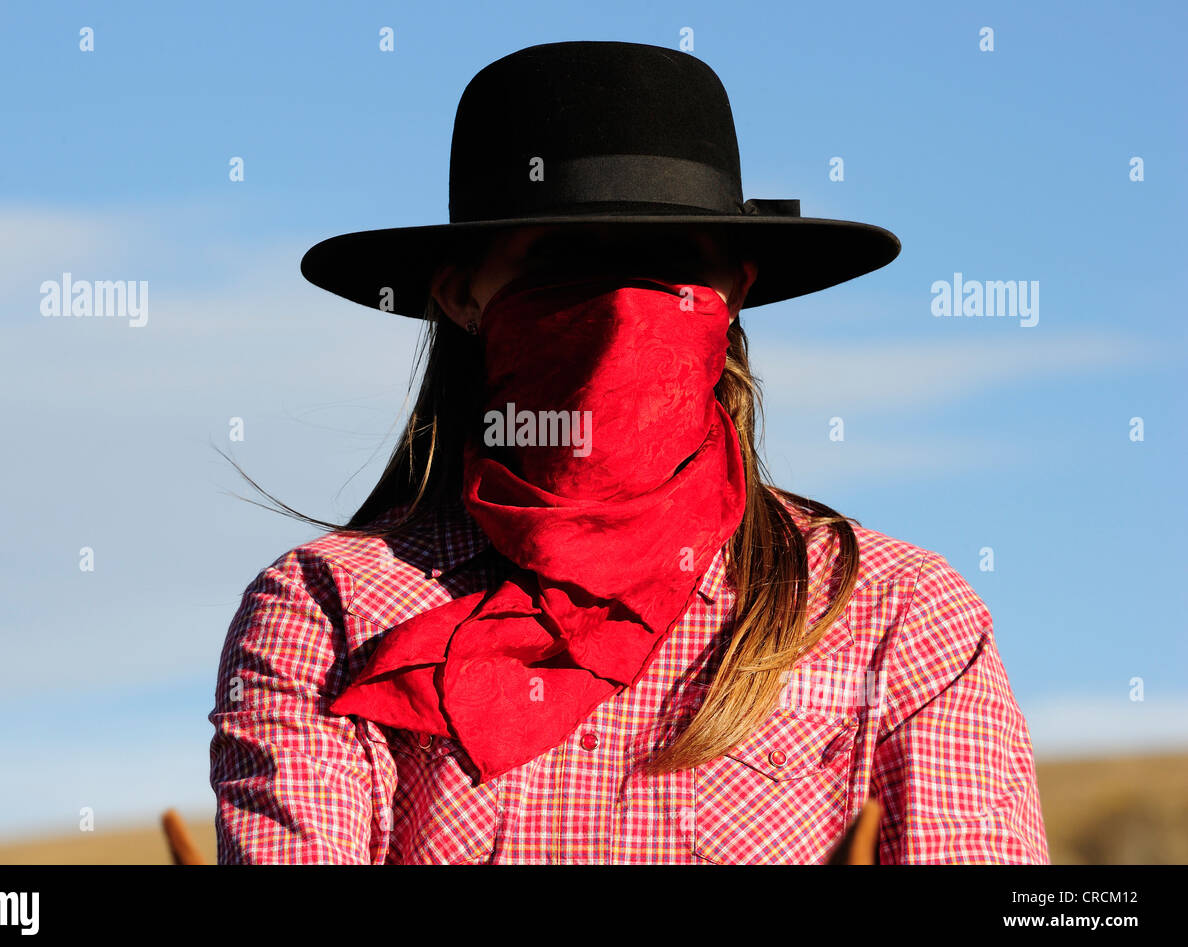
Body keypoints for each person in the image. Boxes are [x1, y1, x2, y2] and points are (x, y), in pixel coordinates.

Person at [208, 40, 1049, 864]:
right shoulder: (332, 607)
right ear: (461, 292)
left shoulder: (893, 614)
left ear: (734, 288)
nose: (619, 309)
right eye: (564, 261)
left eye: (667, 262)